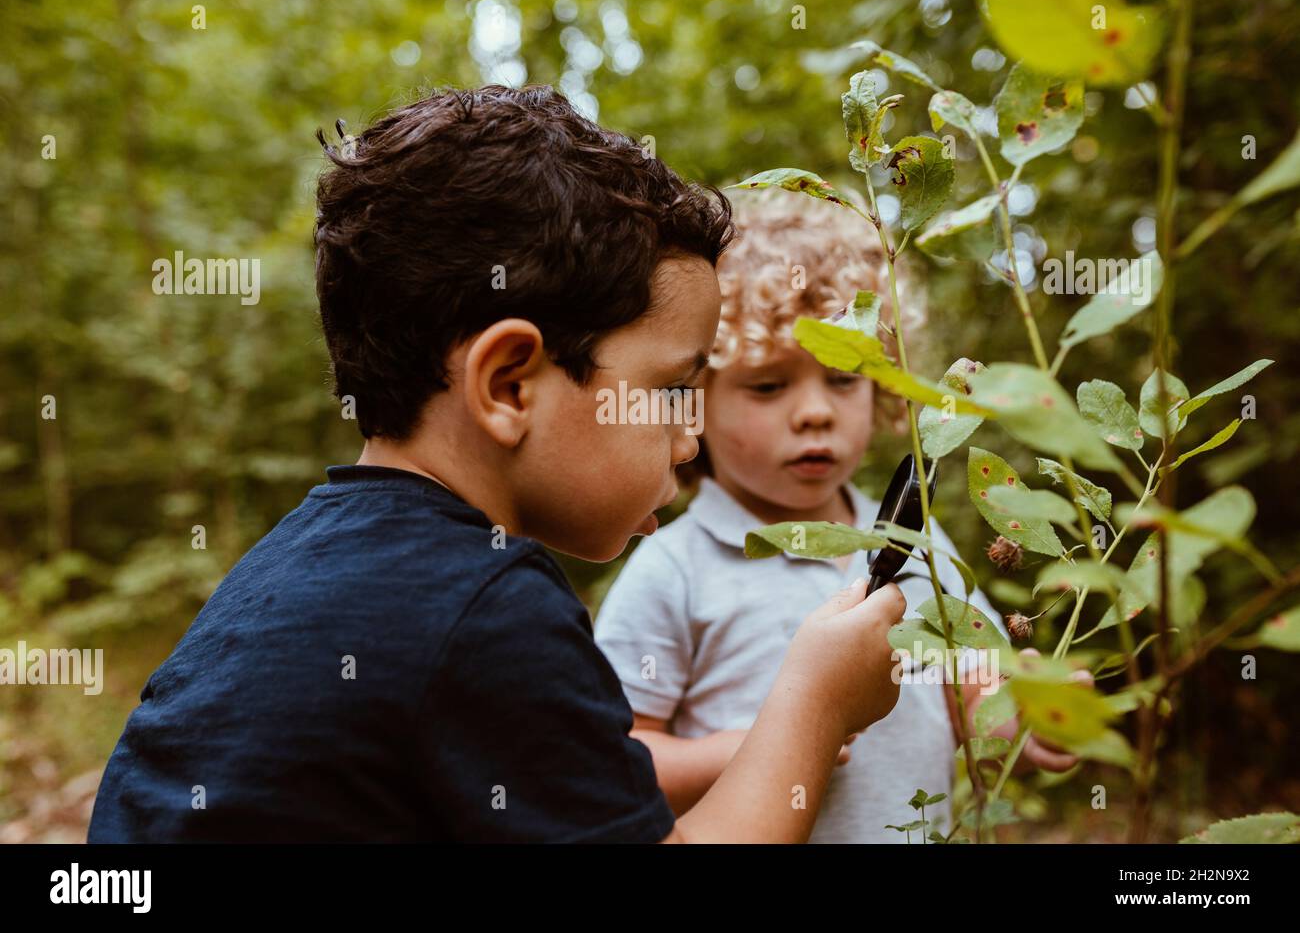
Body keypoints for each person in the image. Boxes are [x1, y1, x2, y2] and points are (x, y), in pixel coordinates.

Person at [87, 86, 904, 843]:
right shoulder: (483, 610)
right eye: (671, 390)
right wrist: (817, 701)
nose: (689, 440)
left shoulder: (286, 573)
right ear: (509, 383)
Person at [594, 188, 1083, 842]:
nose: (815, 412)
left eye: (845, 378)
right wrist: (759, 744)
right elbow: (615, 763)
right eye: (769, 385)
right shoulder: (674, 569)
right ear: (694, 401)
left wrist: (1026, 720)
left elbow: (973, 693)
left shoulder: (916, 542)